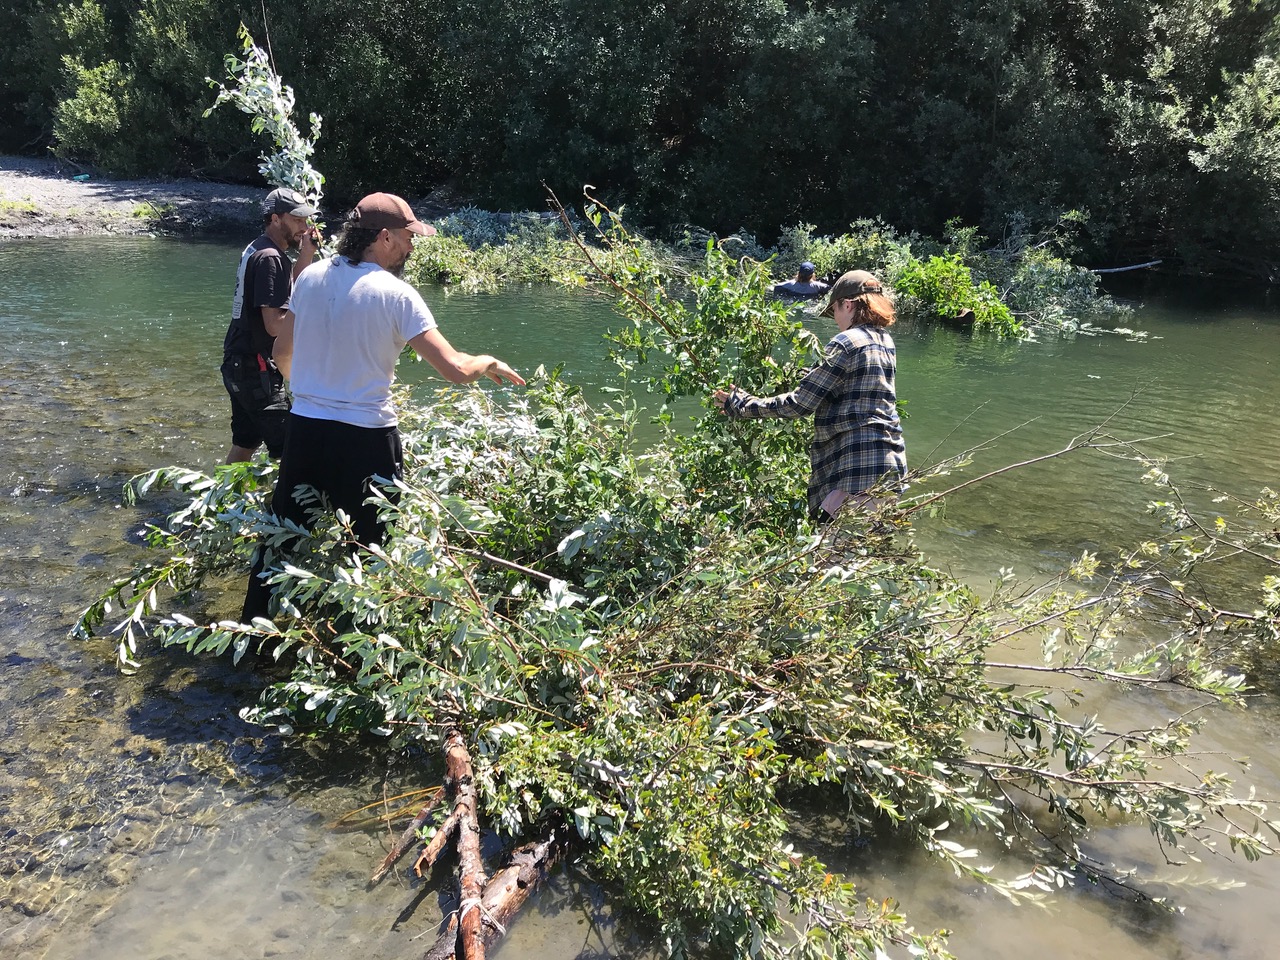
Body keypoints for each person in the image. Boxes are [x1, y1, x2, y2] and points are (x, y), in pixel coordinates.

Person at [241, 192, 526, 621]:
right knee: (375, 553)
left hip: (305, 430)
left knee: (280, 536)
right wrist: (486, 362)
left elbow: (283, 352)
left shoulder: (312, 276)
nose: (412, 247)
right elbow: (454, 369)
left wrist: (312, 388)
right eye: (409, 238)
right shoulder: (397, 294)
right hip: (366, 441)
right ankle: (358, 655)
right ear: (385, 238)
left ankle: (250, 630)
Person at [712, 270, 906, 521]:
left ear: (847, 305)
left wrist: (741, 405)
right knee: (864, 555)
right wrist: (786, 372)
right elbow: (843, 383)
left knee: (828, 556)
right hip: (889, 466)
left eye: (834, 310)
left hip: (856, 471)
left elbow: (799, 405)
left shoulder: (846, 341)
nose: (836, 319)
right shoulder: (884, 341)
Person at [221, 187, 320, 463]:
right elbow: (275, 325)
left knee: (245, 442)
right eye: (298, 220)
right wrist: (313, 321)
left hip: (239, 363)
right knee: (292, 446)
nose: (304, 227)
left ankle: (222, 502)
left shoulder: (261, 247)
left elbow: (287, 289)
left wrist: (307, 254)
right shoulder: (270, 259)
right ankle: (285, 506)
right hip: (256, 370)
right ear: (276, 219)